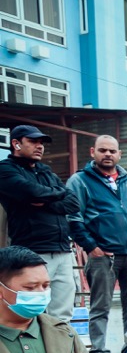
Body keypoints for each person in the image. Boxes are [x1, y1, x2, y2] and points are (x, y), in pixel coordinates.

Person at [66, 135, 127, 353]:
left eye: (112, 151)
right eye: (102, 150)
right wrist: (91, 248)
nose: (107, 154)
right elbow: (73, 217)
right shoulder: (80, 181)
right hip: (103, 256)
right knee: (100, 308)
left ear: (119, 154)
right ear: (93, 152)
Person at [0, 126, 80, 321]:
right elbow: (31, 192)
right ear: (16, 143)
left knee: (63, 314)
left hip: (62, 249)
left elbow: (73, 202)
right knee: (31, 311)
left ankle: (59, 350)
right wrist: (53, 196)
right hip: (33, 250)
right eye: (33, 141)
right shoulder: (5, 169)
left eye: (42, 143)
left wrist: (44, 201)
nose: (40, 146)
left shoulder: (46, 172)